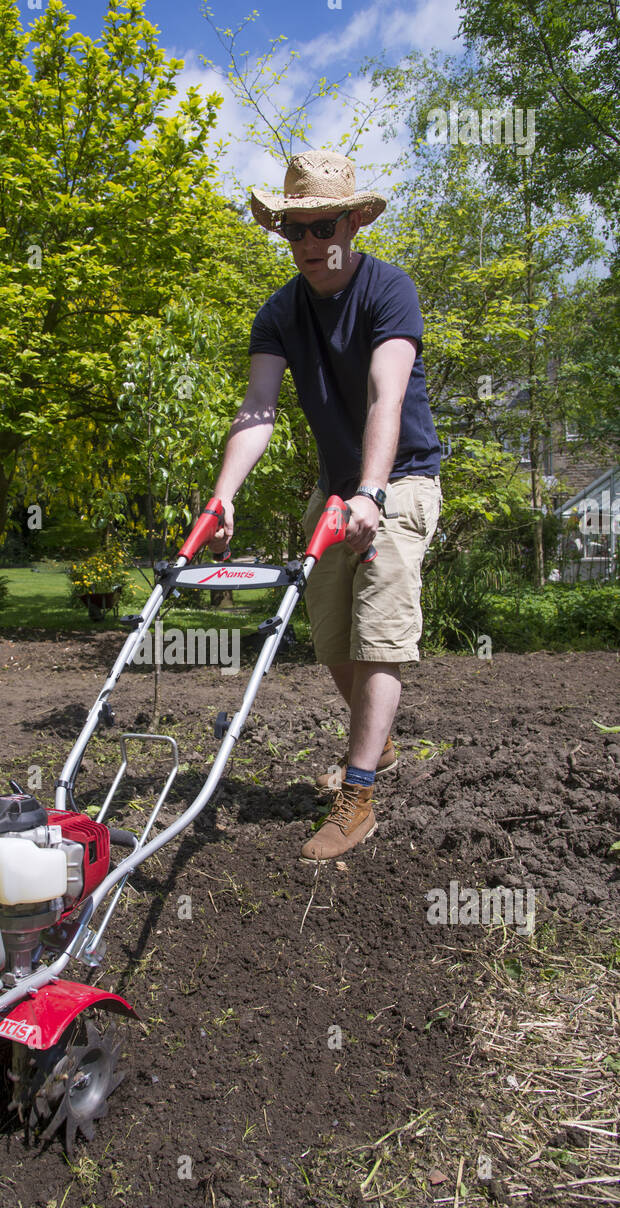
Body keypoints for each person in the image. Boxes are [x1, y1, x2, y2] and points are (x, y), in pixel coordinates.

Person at [211, 148, 442, 860]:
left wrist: (372, 490)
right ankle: (383, 742)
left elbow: (386, 394)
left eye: (323, 225)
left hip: (397, 480)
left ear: (351, 222)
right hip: (334, 491)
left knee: (377, 637)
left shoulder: (388, 289)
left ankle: (360, 792)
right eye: (294, 231)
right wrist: (223, 495)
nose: (310, 242)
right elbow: (258, 409)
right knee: (332, 639)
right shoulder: (280, 312)